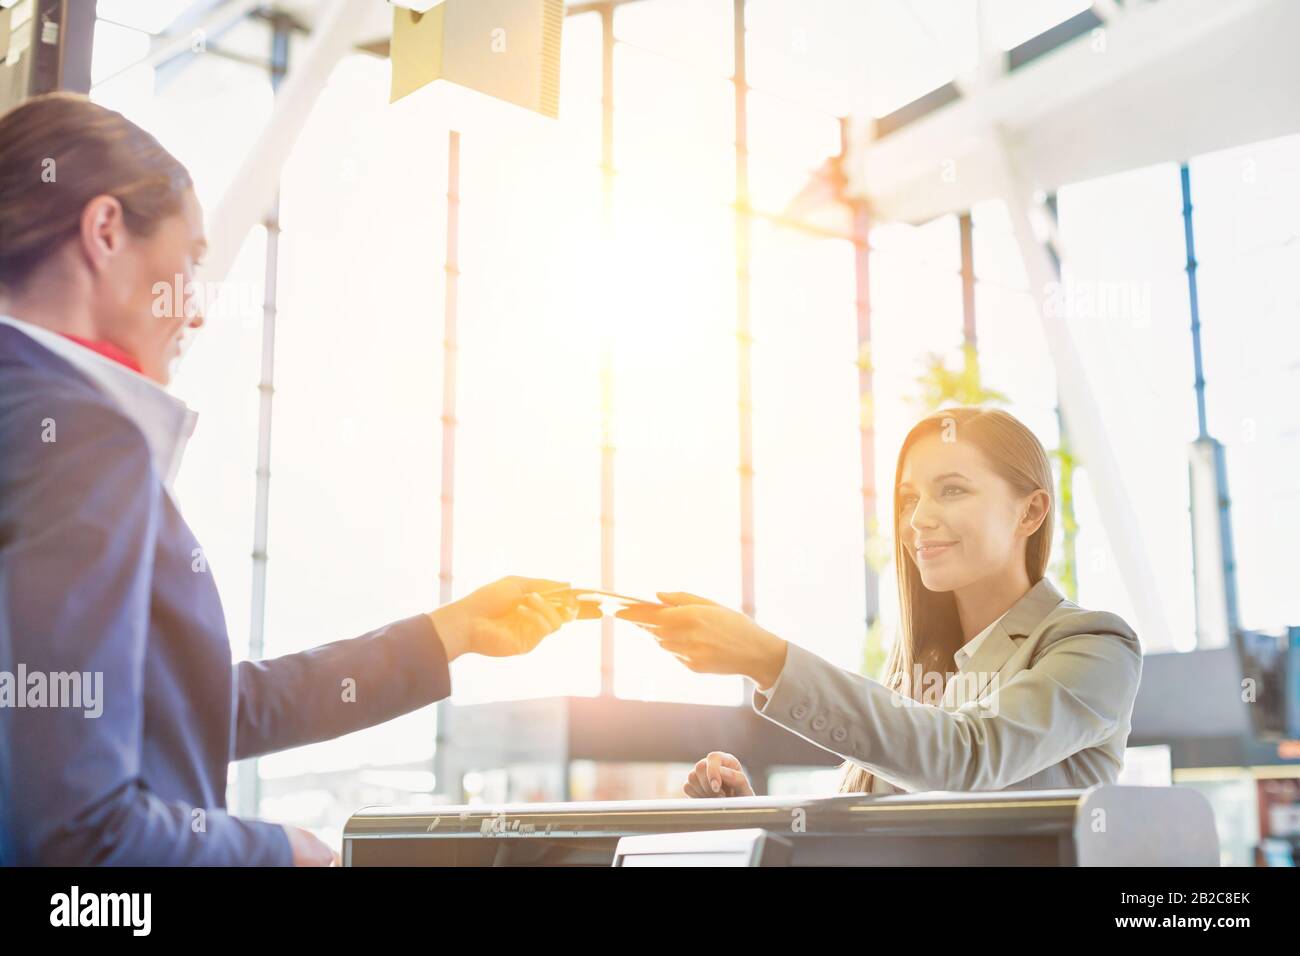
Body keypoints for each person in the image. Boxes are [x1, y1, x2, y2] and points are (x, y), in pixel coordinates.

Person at [0, 92, 580, 865]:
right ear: (106, 231)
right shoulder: (82, 437)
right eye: (192, 260)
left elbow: (174, 708)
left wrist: (448, 635)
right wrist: (284, 854)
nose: (197, 309)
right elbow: (75, 838)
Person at [618, 406, 1144, 799]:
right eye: (910, 499)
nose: (918, 520)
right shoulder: (918, 673)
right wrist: (750, 822)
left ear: (1030, 513)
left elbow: (968, 758)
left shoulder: (1095, 646)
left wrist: (767, 660)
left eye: (952, 490)